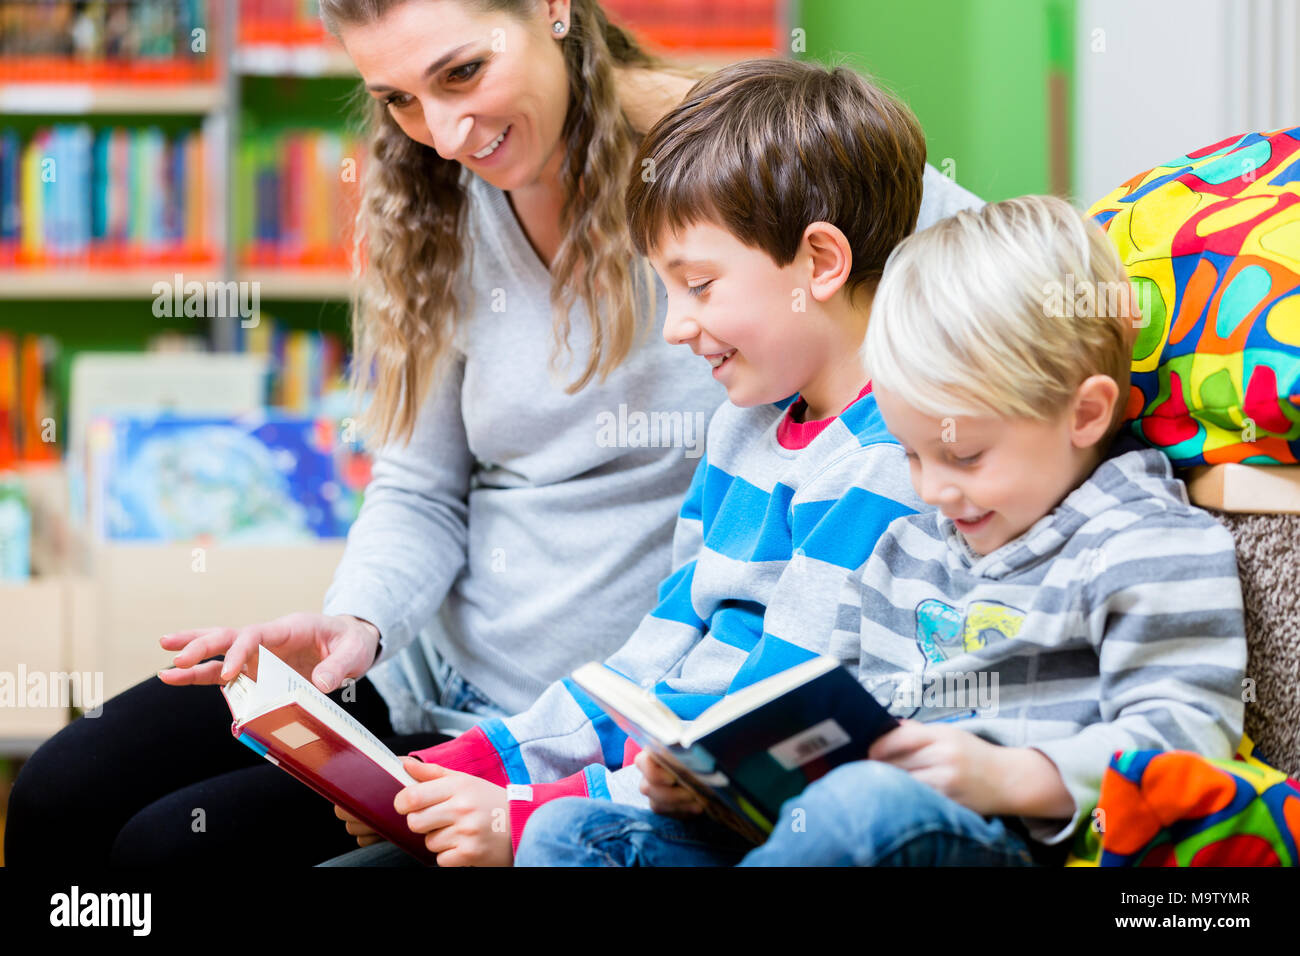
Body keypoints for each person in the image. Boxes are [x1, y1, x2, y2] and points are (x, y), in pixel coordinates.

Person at [4, 1, 979, 868]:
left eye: (462, 73)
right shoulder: (425, 201)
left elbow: (998, 275)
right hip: (433, 678)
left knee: (164, 849)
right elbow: (418, 486)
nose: (443, 132)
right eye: (396, 97)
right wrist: (356, 621)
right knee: (60, 787)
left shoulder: (742, 156)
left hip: (599, 717)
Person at [323, 56, 984, 867]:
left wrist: (527, 809)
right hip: (675, 780)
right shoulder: (744, 428)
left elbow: (763, 725)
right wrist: (463, 768)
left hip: (761, 805)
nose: (675, 327)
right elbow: (646, 667)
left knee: (559, 839)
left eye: (699, 285)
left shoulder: (890, 462)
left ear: (820, 263)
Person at [514, 195, 1249, 866]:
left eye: (963, 454)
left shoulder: (1148, 544)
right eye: (910, 453)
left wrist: (1018, 776)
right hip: (836, 834)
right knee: (573, 835)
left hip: (1005, 843)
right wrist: (726, 785)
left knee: (865, 809)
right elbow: (833, 729)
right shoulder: (911, 546)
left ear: (1085, 414)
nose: (932, 488)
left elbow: (1192, 743)